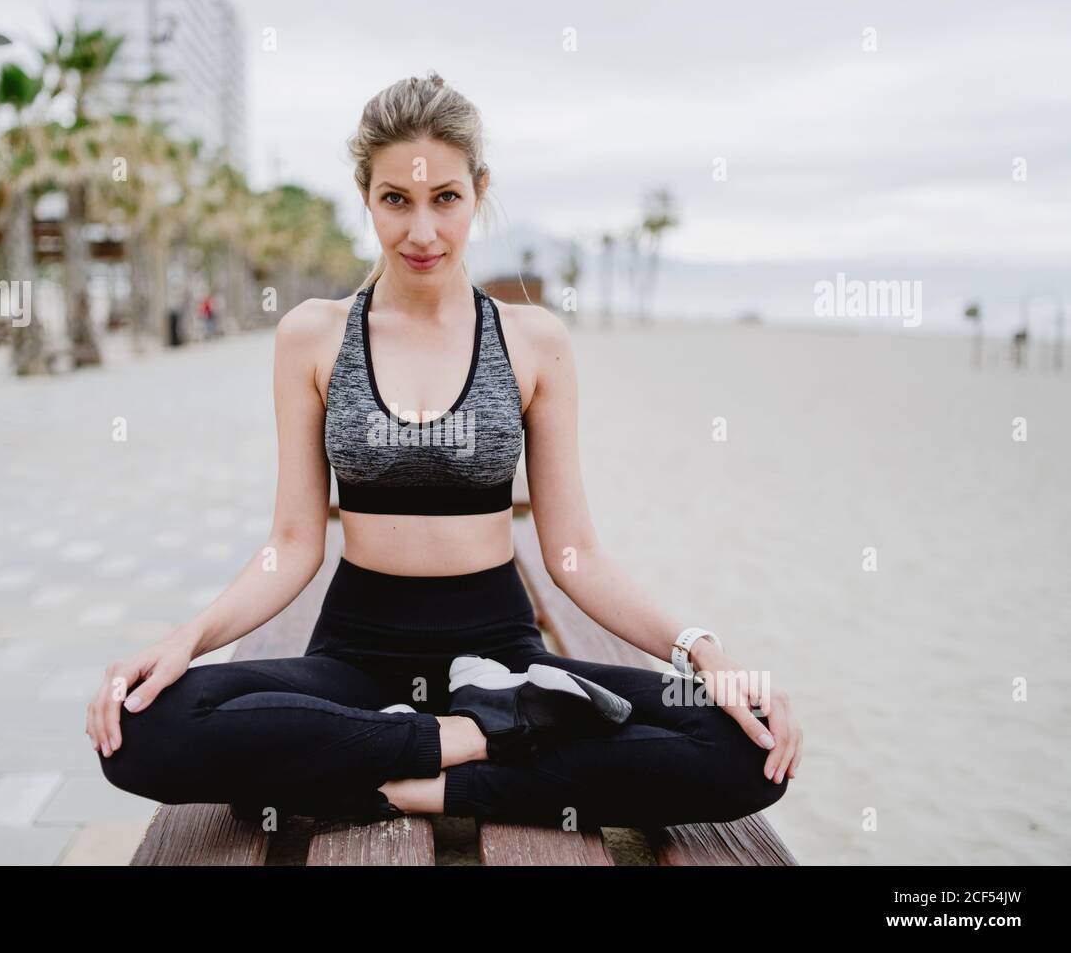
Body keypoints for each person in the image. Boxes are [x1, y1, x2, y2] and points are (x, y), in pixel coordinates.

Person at [87, 70, 800, 831]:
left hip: (503, 663)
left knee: (743, 741)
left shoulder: (532, 341)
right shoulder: (313, 336)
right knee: (140, 730)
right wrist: (184, 639)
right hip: (355, 655)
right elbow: (293, 545)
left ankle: (412, 780)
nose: (421, 232)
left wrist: (701, 652)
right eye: (396, 200)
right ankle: (456, 742)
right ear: (366, 196)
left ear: (479, 190)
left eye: (445, 199)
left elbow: (574, 555)